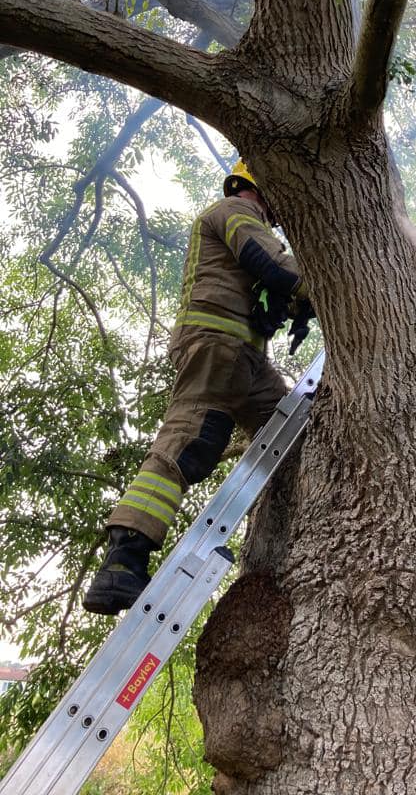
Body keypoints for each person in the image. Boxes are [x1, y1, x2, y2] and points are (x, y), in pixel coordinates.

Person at [83, 159, 312, 615]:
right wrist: (318, 286)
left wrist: (289, 307)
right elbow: (273, 265)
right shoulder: (233, 210)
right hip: (216, 346)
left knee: (294, 434)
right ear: (259, 184)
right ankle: (124, 557)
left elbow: (269, 286)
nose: (280, 216)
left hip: (247, 360)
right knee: (193, 437)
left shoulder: (241, 218)